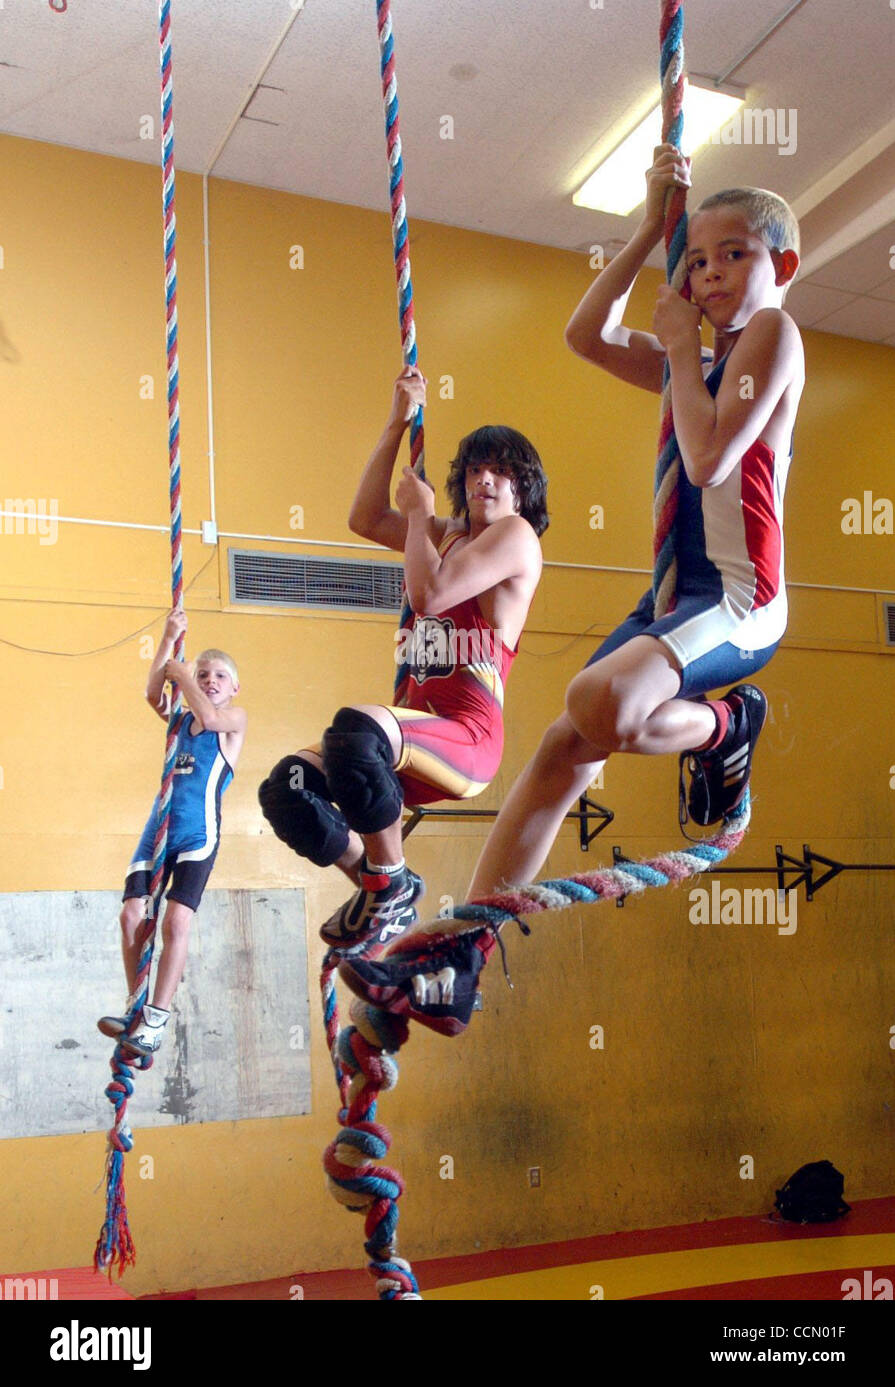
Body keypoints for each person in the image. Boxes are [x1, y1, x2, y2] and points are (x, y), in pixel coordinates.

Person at [341, 152, 804, 1033]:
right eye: (697, 258)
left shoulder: (770, 339)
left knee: (598, 697)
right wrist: (642, 230)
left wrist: (675, 347)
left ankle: (727, 724)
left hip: (742, 597)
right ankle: (457, 958)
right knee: (564, 748)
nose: (708, 274)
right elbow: (583, 335)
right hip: (676, 600)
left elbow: (707, 460)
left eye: (733, 255)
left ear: (779, 267)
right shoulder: (694, 358)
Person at [259, 366, 547, 955]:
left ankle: (387, 881)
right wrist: (396, 423)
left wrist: (419, 517)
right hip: (406, 742)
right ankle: (380, 880)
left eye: (500, 472)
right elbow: (364, 519)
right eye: (474, 469)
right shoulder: (444, 534)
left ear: (523, 489)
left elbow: (430, 596)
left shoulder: (516, 536)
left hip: (465, 740)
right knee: (286, 789)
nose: (484, 481)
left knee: (353, 731)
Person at [97, 609, 247, 1056]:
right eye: (204, 673)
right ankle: (136, 1005)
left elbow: (211, 716)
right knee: (130, 916)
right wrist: (168, 638)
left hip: (198, 837)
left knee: (176, 921)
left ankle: (157, 1021)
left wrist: (181, 674)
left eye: (220, 675)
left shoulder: (233, 720)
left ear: (233, 687)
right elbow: (151, 691)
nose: (210, 680)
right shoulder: (179, 722)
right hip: (157, 829)